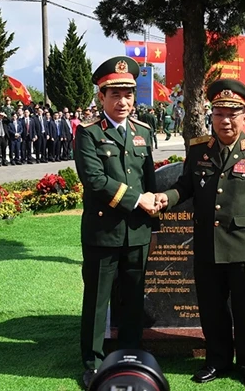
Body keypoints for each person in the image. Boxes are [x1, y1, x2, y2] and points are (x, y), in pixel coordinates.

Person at [158, 79, 245, 390]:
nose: (225, 120)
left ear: (243, 116)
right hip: (207, 245)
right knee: (211, 308)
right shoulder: (199, 149)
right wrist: (166, 199)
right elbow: (185, 186)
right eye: (219, 113)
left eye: (232, 113)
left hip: (244, 245)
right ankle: (216, 359)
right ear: (211, 115)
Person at [74, 56, 159, 390]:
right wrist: (138, 199)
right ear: (102, 97)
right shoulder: (89, 134)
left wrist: (153, 217)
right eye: (115, 95)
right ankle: (93, 363)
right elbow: (94, 181)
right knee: (97, 301)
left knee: (134, 298)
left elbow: (149, 179)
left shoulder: (143, 133)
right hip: (103, 232)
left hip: (136, 231)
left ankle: (131, 355)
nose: (122, 101)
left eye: (128, 94)